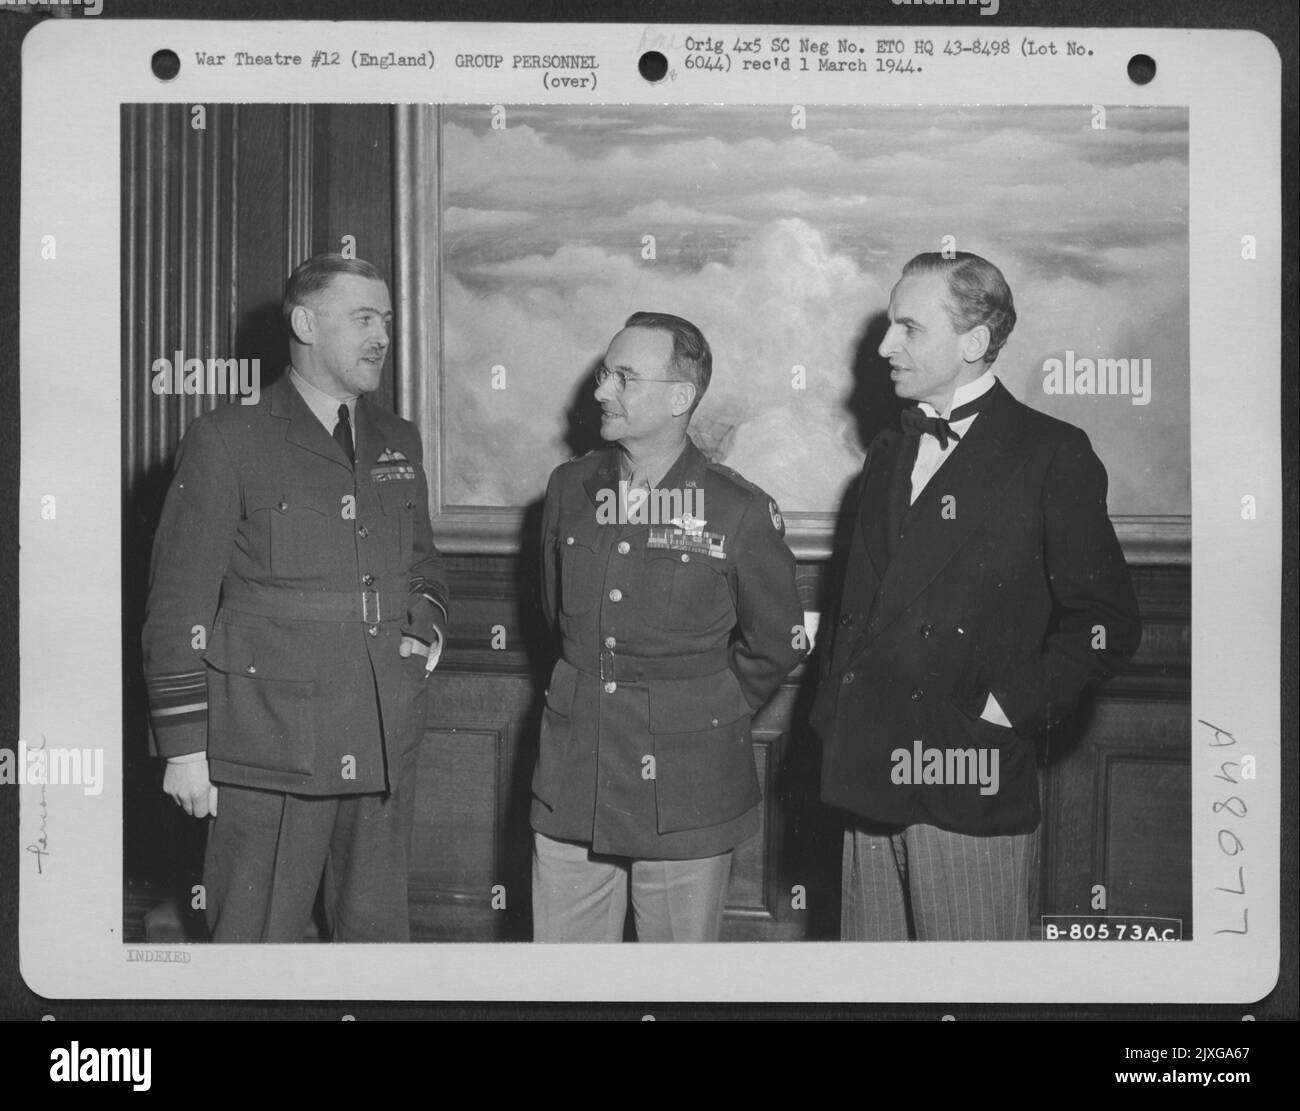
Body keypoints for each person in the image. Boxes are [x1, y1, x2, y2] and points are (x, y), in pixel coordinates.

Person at [811, 251, 1141, 941]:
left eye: (908, 327)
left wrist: (1001, 710)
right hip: (865, 774)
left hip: (967, 774)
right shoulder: (888, 453)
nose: (884, 346)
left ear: (974, 341)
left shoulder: (1052, 452)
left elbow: (1106, 625)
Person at [142, 253, 449, 942]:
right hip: (268, 747)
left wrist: (423, 633)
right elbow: (178, 604)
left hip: (379, 737)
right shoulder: (227, 439)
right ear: (305, 323)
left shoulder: (397, 439)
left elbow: (425, 567)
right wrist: (186, 748)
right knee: (255, 947)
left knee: (376, 953)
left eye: (388, 320)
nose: (382, 336)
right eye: (364, 318)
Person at [531, 311, 806, 942]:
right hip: (575, 772)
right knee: (562, 988)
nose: (602, 391)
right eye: (605, 374)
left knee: (676, 987)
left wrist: (705, 707)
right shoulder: (569, 488)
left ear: (680, 397)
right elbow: (555, 615)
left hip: (688, 786)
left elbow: (777, 641)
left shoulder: (736, 508)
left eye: (625, 378)